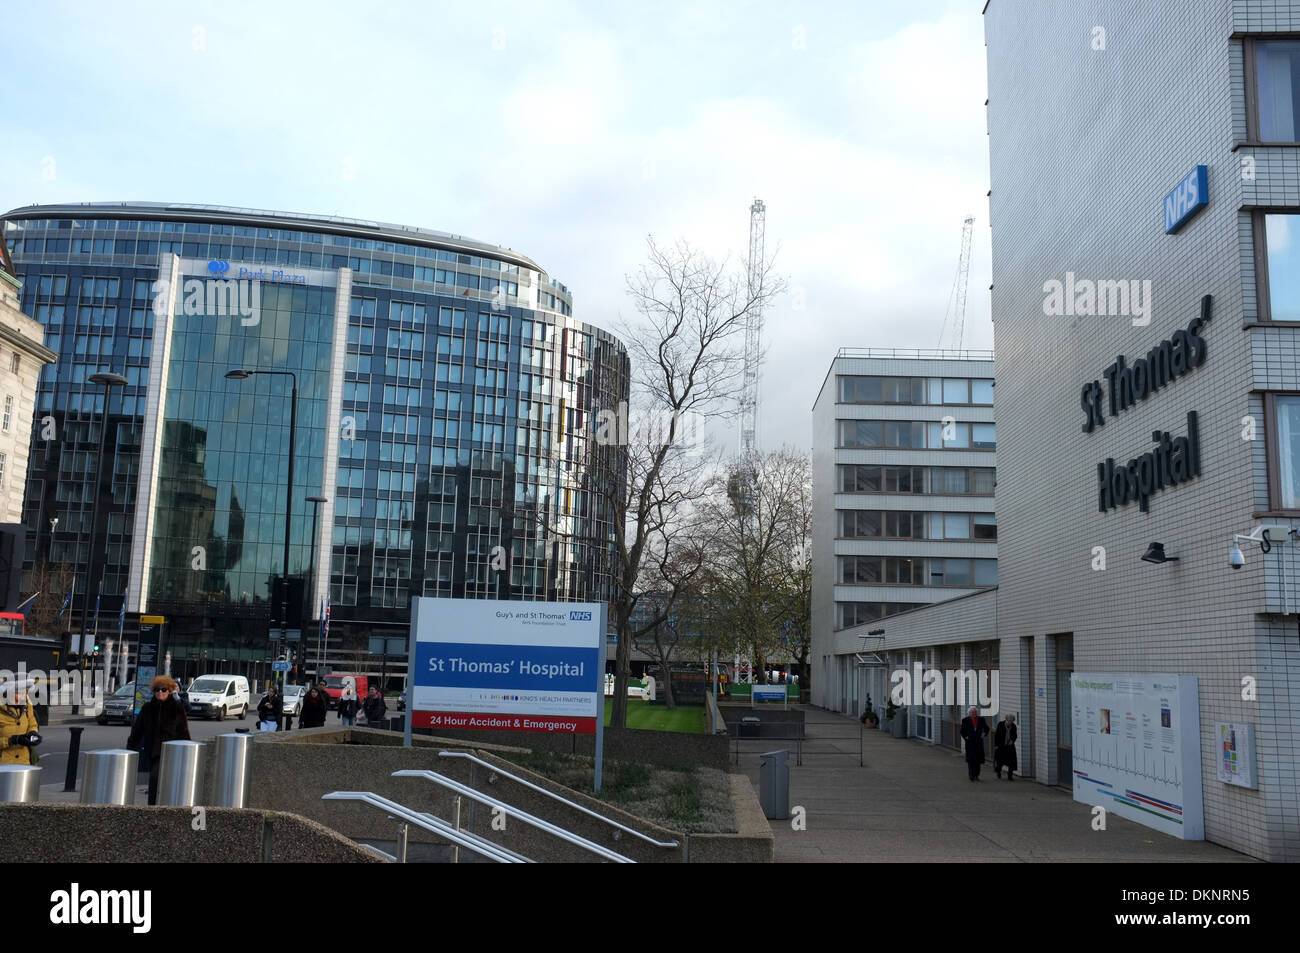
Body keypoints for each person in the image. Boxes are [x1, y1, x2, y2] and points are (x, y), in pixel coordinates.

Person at [126, 675, 191, 805]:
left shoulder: (177, 708)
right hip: (153, 752)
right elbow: (137, 731)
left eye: (164, 689)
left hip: (172, 753)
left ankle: (164, 807)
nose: (160, 692)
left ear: (170, 691)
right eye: (157, 690)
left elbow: (184, 732)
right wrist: (130, 748)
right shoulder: (147, 708)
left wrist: (188, 752)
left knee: (159, 779)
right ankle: (153, 808)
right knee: (154, 780)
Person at [0, 676, 41, 766]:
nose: (20, 697)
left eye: (23, 693)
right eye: (17, 693)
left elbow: (32, 724)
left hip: (24, 763)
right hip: (3, 766)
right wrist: (12, 740)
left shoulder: (27, 707)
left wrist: (33, 733)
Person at [959, 705, 990, 781]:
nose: (974, 713)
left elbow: (987, 728)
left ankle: (976, 775)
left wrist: (984, 734)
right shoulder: (965, 720)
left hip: (978, 743)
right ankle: (971, 775)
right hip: (970, 743)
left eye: (975, 712)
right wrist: (966, 737)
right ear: (969, 713)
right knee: (971, 760)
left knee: (978, 761)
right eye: (972, 712)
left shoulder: (981, 719)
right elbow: (962, 731)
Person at [994, 713, 1018, 780]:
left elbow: (1015, 735)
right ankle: (998, 772)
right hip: (1001, 746)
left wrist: (1012, 740)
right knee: (999, 761)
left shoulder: (1013, 726)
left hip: (1010, 746)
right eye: (1009, 720)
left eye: (1012, 720)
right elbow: (997, 735)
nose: (1010, 722)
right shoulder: (1000, 724)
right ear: (1006, 719)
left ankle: (1010, 775)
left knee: (1011, 762)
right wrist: (996, 745)